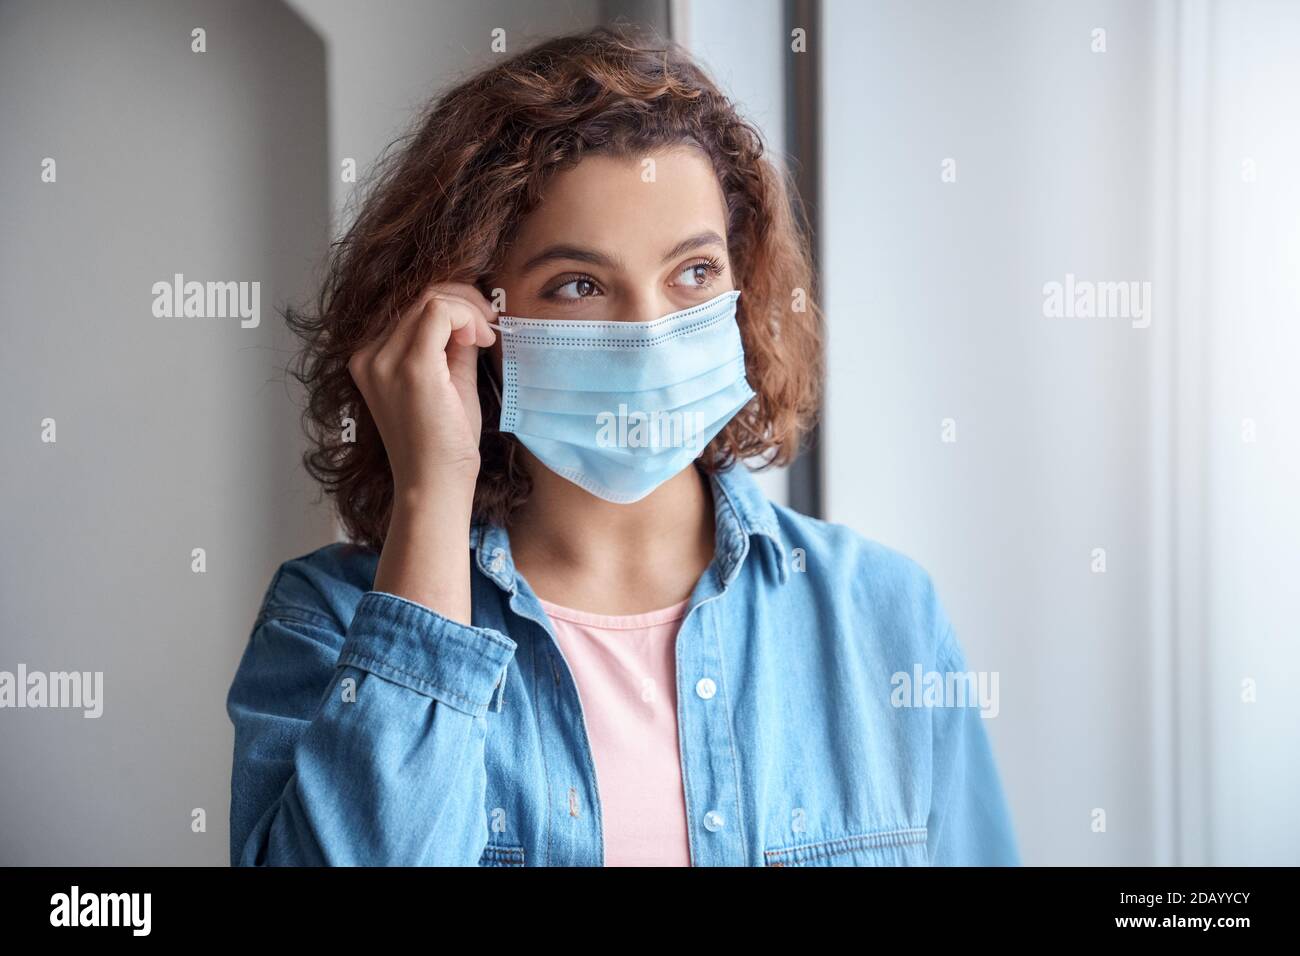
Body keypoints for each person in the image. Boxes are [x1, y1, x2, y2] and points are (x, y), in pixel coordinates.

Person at [225, 26, 1020, 867]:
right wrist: (431, 496)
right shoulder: (328, 624)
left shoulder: (886, 616)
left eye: (693, 273)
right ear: (470, 318)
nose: (650, 332)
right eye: (580, 285)